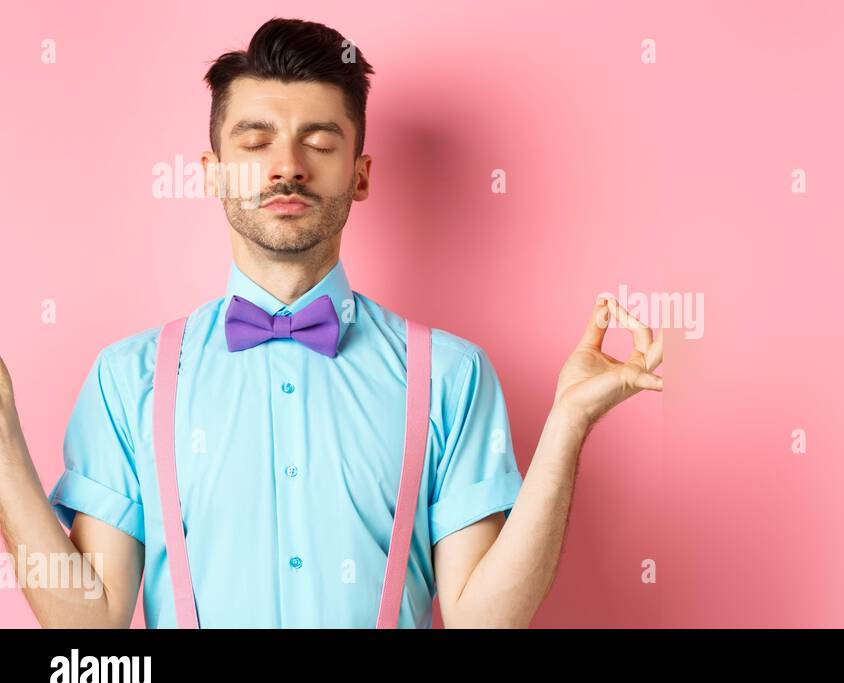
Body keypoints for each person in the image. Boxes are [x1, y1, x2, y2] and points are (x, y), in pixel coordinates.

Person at [0, 17, 662, 628]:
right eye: (256, 141)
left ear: (361, 173)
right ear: (213, 175)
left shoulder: (452, 376)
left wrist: (569, 423)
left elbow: (482, 621)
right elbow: (91, 624)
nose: (287, 165)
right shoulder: (128, 379)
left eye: (319, 142)